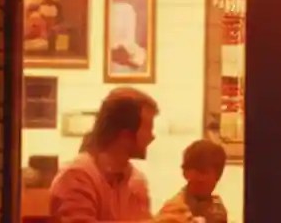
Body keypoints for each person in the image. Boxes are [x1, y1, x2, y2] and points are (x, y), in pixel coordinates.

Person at [50, 87, 190, 223]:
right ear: (125, 134)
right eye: (148, 128)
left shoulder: (136, 181)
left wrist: (167, 216)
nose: (151, 137)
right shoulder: (76, 177)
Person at [164, 139, 230, 223]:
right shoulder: (172, 212)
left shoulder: (218, 210)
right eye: (197, 171)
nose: (201, 178)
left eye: (205, 172)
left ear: (218, 176)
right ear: (185, 173)